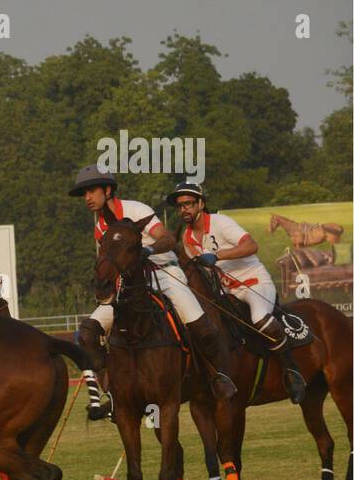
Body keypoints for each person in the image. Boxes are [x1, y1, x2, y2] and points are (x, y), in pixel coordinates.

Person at [70, 164, 236, 421]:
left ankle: (218, 376)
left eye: (91, 191)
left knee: (201, 326)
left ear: (108, 190)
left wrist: (147, 251)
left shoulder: (136, 209)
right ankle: (112, 391)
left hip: (164, 272)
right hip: (130, 285)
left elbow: (168, 239)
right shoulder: (100, 228)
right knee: (88, 333)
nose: (87, 198)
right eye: (84, 193)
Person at [168, 181, 305, 403]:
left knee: (259, 319)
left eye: (189, 203)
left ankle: (292, 371)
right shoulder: (186, 238)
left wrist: (218, 255)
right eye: (180, 205)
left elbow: (251, 245)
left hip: (254, 283)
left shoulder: (221, 222)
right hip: (226, 292)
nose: (184, 209)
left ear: (201, 204)